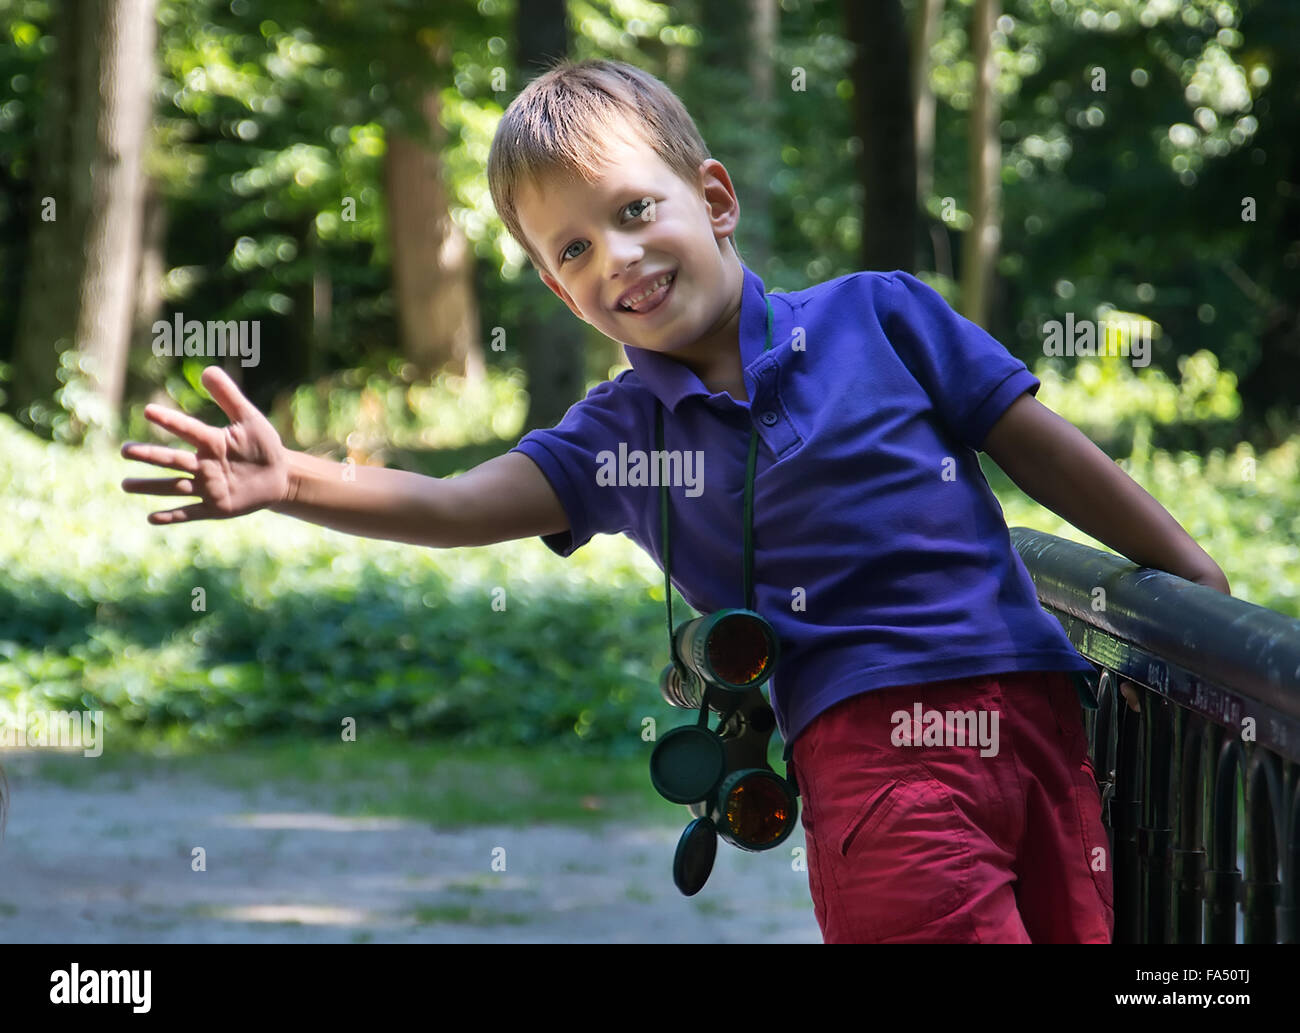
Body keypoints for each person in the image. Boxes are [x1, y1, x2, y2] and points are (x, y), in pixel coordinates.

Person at [121, 58, 1231, 943]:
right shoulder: (618, 436)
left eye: (634, 209)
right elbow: (455, 503)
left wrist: (1197, 584)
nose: (617, 256)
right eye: (572, 249)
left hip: (1044, 721)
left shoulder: (882, 318)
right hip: (881, 765)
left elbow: (1045, 452)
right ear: (559, 292)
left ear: (713, 198)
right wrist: (290, 479)